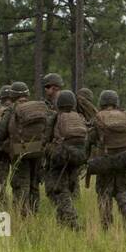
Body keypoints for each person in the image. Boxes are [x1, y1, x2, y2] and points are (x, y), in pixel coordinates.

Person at [0, 83, 46, 216]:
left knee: (21, 185)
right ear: (27, 94)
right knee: (34, 185)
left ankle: (22, 217)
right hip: (38, 152)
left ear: (12, 95)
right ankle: (34, 215)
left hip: (20, 153)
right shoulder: (39, 107)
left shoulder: (12, 109)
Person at [86, 89, 126, 228]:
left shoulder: (99, 117)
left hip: (106, 162)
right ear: (116, 102)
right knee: (122, 190)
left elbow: (90, 139)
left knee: (104, 193)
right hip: (125, 161)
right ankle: (125, 206)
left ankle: (106, 225)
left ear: (102, 102)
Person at [42, 89, 86, 229]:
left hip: (61, 158)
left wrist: (47, 149)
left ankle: (72, 220)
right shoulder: (78, 117)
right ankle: (62, 224)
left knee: (57, 190)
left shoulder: (56, 117)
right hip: (77, 157)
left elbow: (46, 138)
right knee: (67, 188)